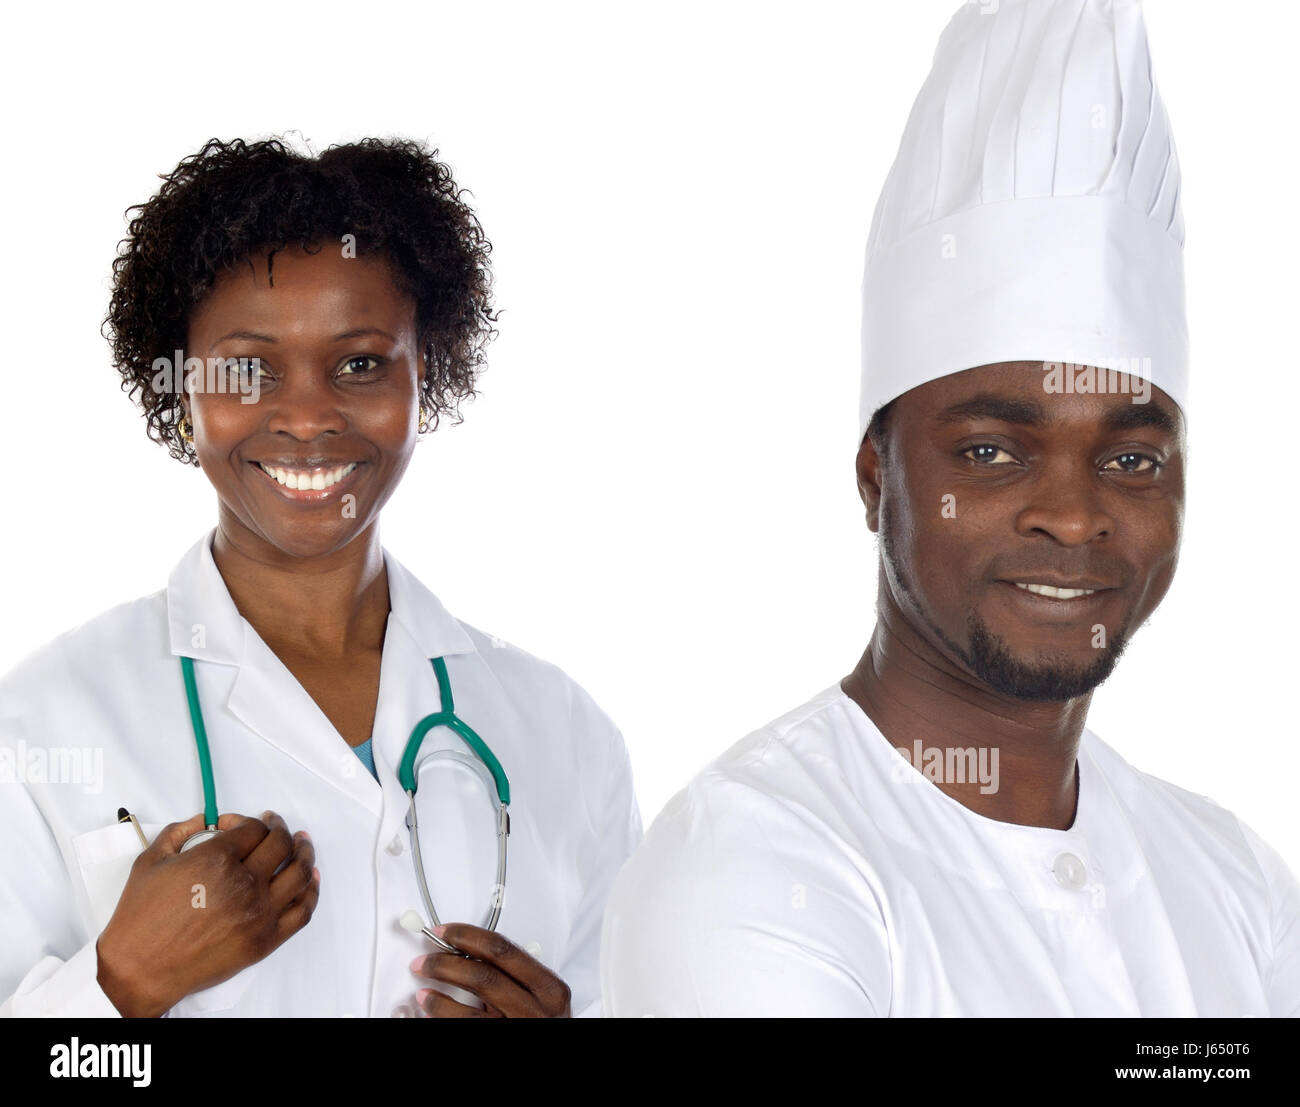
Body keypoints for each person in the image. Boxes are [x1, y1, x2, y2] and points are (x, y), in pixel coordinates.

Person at [600, 0, 1299, 1016]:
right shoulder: (752, 868)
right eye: (990, 451)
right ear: (875, 478)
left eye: (1132, 457)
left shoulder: (1232, 881)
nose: (1073, 516)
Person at [0, 136, 641, 1018]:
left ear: (431, 372)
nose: (306, 417)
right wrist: (121, 983)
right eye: (247, 369)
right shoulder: (40, 724)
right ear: (181, 391)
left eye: (361, 363)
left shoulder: (567, 737)